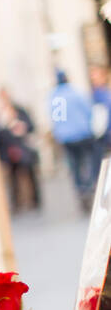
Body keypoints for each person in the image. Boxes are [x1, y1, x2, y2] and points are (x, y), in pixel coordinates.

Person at [48, 70, 98, 211]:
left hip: (66, 137)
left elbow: (55, 118)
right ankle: (88, 186)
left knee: (74, 164)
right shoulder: (76, 93)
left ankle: (79, 188)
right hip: (82, 134)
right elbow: (89, 111)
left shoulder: (54, 97)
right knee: (86, 161)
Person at [0, 88, 40, 213]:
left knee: (30, 175)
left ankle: (34, 201)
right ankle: (17, 203)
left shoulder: (20, 111)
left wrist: (21, 127)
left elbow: (30, 126)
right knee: (13, 179)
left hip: (23, 148)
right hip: (9, 150)